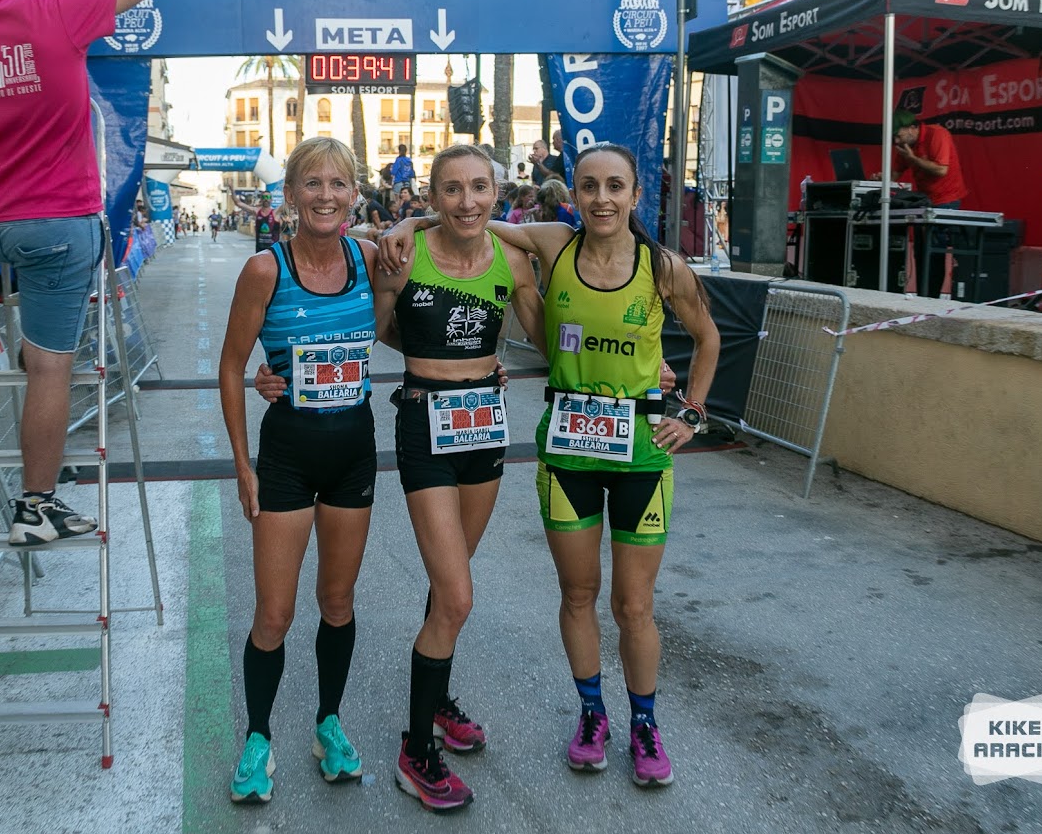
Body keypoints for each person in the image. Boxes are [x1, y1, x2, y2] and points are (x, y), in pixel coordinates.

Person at [380, 143, 717, 790]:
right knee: (578, 594)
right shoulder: (553, 241)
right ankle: (591, 715)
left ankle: (644, 723)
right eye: (589, 186)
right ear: (574, 194)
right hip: (567, 452)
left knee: (634, 604)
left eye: (615, 186)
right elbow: (468, 217)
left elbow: (708, 337)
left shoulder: (661, 264)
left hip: (640, 452)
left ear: (635, 194)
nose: (601, 199)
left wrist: (692, 414)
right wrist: (407, 223)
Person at [0, 0, 166, 546]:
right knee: (52, 368)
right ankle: (36, 507)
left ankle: (31, 346)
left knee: (37, 347)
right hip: (54, 223)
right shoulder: (62, 9)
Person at [219, 138, 393, 804]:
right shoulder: (265, 270)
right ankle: (258, 737)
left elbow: (401, 328)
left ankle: (328, 723)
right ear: (289, 195)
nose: (325, 195)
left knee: (338, 601)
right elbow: (231, 367)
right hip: (286, 454)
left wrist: (466, 368)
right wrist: (242, 464)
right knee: (274, 610)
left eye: (338, 184)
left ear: (354, 194)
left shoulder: (370, 257)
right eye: (312, 183)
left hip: (352, 450)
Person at [377, 145, 544, 812]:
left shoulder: (512, 260)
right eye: (451, 189)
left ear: (497, 192)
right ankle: (415, 751)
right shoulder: (400, 252)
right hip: (423, 427)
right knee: (457, 595)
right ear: (430, 195)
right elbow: (381, 328)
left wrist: (649, 369)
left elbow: (553, 336)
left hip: (483, 428)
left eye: (479, 188)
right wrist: (435, 365)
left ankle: (437, 697)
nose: (467, 201)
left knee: (453, 585)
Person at [888, 110, 968, 297]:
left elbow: (941, 170)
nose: (897, 142)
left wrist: (913, 159)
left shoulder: (937, 134)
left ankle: (931, 298)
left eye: (898, 136)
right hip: (923, 201)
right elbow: (894, 175)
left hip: (945, 199)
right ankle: (924, 295)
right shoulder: (905, 145)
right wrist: (879, 179)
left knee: (934, 251)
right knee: (921, 251)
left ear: (912, 128)